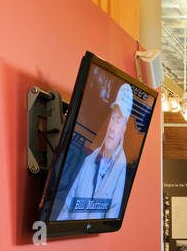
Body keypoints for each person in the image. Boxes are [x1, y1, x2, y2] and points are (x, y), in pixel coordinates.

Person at [56, 84, 137, 221]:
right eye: (112, 118)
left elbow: (113, 214)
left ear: (124, 128)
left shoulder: (121, 166)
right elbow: (68, 203)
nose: (112, 127)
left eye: (118, 121)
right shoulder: (89, 160)